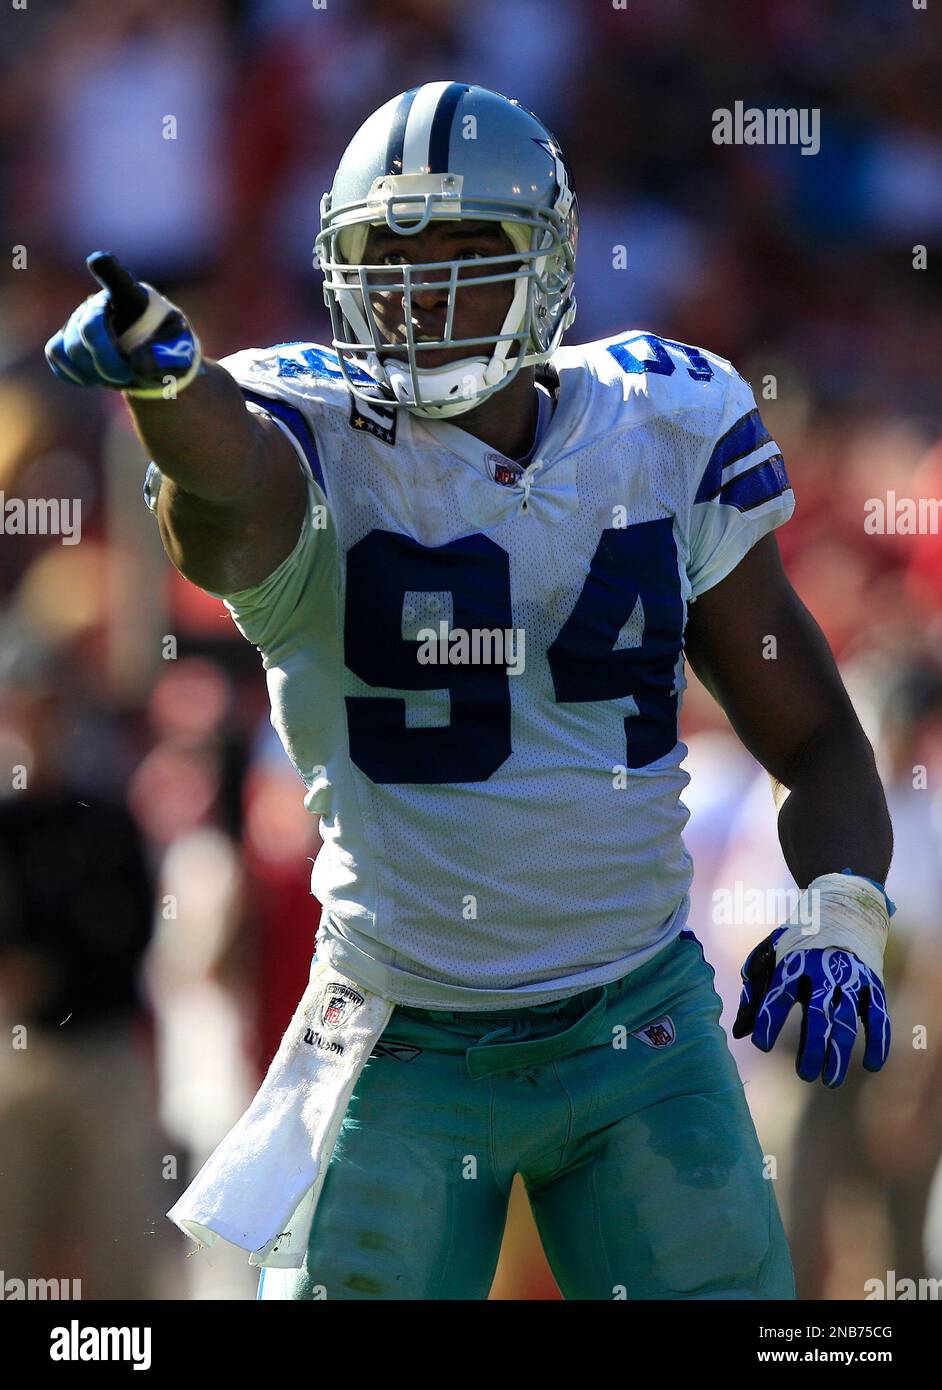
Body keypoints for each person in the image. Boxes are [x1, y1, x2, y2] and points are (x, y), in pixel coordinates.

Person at [45, 82, 894, 1301]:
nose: (418, 290)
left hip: (636, 1023)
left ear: (546, 261)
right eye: (387, 256)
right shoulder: (306, 425)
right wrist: (169, 390)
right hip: (400, 1031)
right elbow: (228, 499)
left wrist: (842, 914)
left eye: (462, 252)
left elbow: (813, 736)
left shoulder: (663, 420)